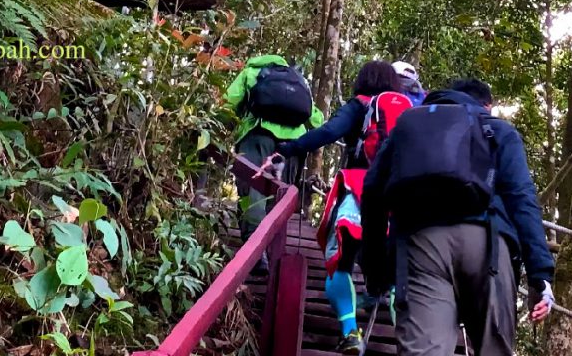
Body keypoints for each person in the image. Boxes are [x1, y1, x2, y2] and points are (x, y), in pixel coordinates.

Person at [361, 78, 555, 356]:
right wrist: (540, 274)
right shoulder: (496, 128)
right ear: (486, 105)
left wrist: (375, 269)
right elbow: (521, 197)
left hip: (421, 243)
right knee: (493, 350)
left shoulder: (407, 128)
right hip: (488, 244)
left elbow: (372, 190)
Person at [265, 60, 413, 354]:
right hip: (401, 200)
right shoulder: (410, 112)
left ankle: (350, 332)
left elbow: (329, 131)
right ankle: (409, 343)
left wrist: (287, 149)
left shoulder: (360, 105)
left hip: (359, 191)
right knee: (397, 277)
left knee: (339, 261)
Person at [223, 54, 323, 269]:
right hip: (293, 145)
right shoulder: (298, 79)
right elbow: (316, 119)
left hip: (257, 136)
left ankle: (255, 253)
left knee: (253, 191)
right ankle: (271, 250)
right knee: (278, 197)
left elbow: (229, 102)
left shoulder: (252, 72)